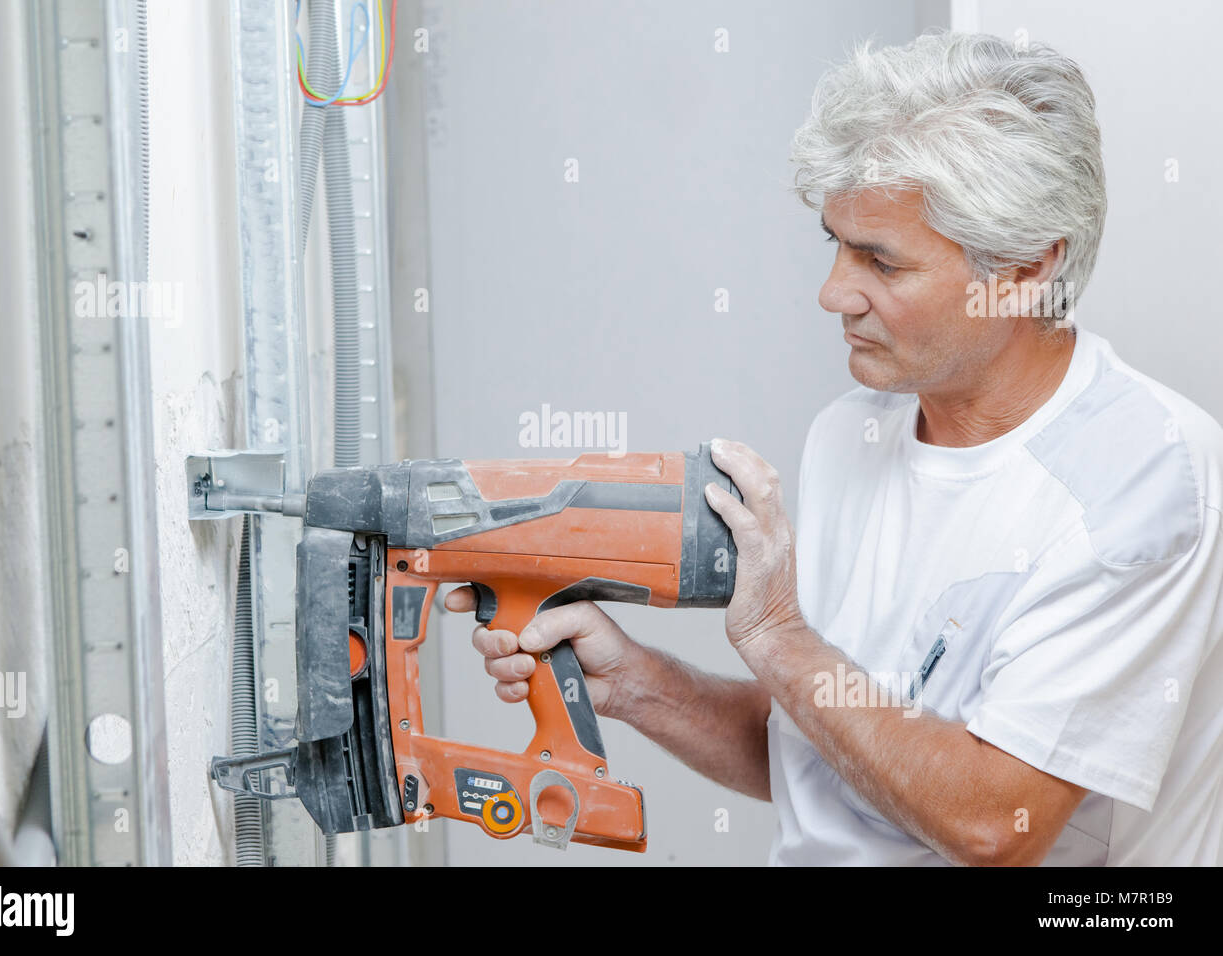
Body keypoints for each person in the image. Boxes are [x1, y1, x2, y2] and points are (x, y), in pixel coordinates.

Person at [446, 31, 1223, 865]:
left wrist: (777, 633)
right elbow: (835, 760)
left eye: (881, 262)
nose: (832, 293)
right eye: (836, 245)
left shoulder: (1143, 479)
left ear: (1028, 268)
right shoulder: (851, 433)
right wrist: (638, 683)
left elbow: (998, 824)